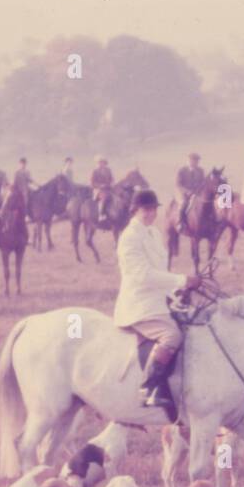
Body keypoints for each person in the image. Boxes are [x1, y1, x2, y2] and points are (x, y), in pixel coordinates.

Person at [114, 189, 200, 419]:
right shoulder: (129, 237)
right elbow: (142, 275)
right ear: (135, 210)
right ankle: (149, 386)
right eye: (146, 210)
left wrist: (177, 292)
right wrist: (182, 280)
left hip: (158, 299)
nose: (151, 213)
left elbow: (159, 272)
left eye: (153, 209)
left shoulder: (152, 232)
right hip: (139, 305)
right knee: (172, 336)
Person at [176, 152, 205, 228]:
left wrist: (198, 191)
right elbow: (178, 184)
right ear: (188, 161)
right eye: (193, 160)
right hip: (184, 194)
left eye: (196, 161)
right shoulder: (182, 171)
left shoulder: (200, 171)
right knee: (183, 204)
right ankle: (181, 223)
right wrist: (187, 192)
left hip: (197, 194)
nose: (195, 162)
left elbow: (203, 183)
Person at [90, 155, 114, 225]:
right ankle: (101, 215)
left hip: (108, 188)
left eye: (103, 162)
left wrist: (112, 183)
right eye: (100, 162)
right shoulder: (95, 171)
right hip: (98, 190)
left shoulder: (108, 170)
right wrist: (100, 186)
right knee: (103, 197)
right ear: (97, 163)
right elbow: (92, 183)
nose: (101, 164)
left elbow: (112, 179)